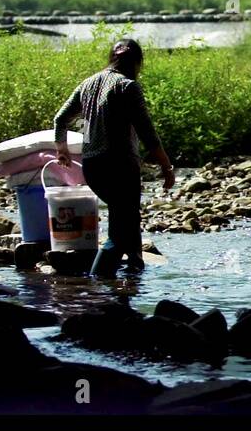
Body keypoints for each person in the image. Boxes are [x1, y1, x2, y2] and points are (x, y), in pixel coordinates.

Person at [54, 38, 176, 278]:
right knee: (118, 233)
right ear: (137, 63)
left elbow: (60, 119)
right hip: (119, 165)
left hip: (92, 167)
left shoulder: (87, 84)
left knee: (126, 216)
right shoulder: (128, 86)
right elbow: (148, 134)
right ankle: (98, 282)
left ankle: (134, 269)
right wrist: (166, 166)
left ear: (112, 58)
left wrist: (62, 149)